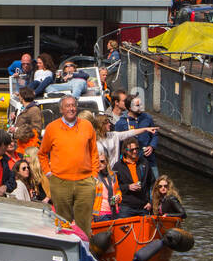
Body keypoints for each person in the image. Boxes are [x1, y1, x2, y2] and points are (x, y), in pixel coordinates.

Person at [38, 94, 100, 240]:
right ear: (61, 110)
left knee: (84, 223)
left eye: (73, 105)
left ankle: (84, 251)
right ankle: (63, 251)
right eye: (68, 106)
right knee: (62, 222)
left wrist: (94, 175)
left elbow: (94, 153)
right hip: (60, 181)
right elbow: (42, 154)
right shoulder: (52, 128)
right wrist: (48, 174)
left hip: (85, 181)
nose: (71, 109)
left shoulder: (87, 125)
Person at [112, 137, 152, 216]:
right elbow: (113, 187)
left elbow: (151, 183)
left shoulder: (144, 163)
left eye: (136, 149)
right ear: (125, 151)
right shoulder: (118, 166)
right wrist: (128, 187)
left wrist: (150, 202)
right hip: (125, 207)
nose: (135, 151)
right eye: (131, 150)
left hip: (143, 206)